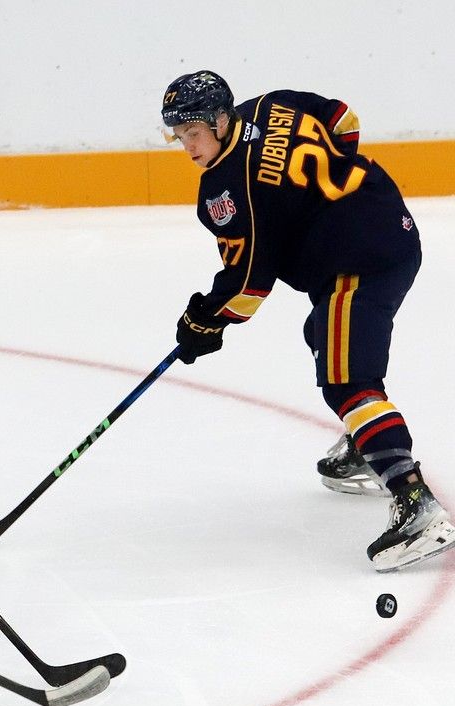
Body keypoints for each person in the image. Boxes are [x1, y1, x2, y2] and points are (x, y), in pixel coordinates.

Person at [160, 70, 455, 573]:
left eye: (193, 133)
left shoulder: (226, 190)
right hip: (388, 223)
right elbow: (343, 118)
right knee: (321, 333)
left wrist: (204, 321)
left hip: (359, 265)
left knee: (346, 380)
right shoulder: (271, 104)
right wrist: (330, 199)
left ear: (219, 119)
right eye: (179, 135)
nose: (187, 146)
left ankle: (415, 502)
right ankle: (369, 441)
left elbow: (249, 287)